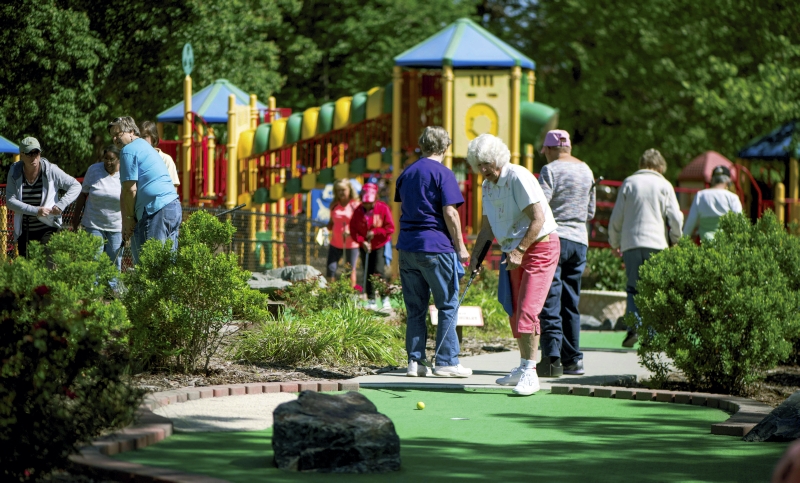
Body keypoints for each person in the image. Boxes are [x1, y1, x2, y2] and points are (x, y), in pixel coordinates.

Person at [467, 134, 560, 396]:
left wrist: (520, 250)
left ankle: (531, 373)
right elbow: (486, 229)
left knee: (529, 309)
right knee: (515, 310)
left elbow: (538, 218)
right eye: (479, 164)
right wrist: (476, 258)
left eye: (487, 163)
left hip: (539, 246)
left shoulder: (518, 176)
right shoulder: (487, 185)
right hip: (514, 250)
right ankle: (523, 366)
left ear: (498, 158)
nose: (483, 169)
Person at [396, 126, 472, 378]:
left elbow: (403, 209)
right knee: (447, 304)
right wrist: (461, 246)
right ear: (445, 147)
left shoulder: (407, 173)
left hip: (408, 246)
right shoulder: (444, 173)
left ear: (422, 144)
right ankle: (447, 361)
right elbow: (450, 213)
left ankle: (415, 362)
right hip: (436, 246)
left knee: (415, 308)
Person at [608, 148, 683, 347]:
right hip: (656, 243)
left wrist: (614, 242)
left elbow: (617, 218)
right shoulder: (664, 185)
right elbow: (675, 217)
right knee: (653, 289)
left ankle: (634, 326)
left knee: (633, 288)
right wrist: (676, 238)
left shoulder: (629, 183)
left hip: (631, 243)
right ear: (660, 166)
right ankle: (651, 333)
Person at [537, 130, 596, 377]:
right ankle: (574, 360)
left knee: (551, 298)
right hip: (580, 241)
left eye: (546, 152)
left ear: (551, 149)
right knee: (571, 301)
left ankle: (552, 358)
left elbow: (539, 206)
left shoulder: (550, 171)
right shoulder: (587, 170)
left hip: (555, 238)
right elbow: (590, 212)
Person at [108, 116, 181, 264]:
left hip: (155, 210)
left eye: (118, 134)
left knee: (150, 267)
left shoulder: (128, 150)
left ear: (130, 131)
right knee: (167, 266)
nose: (115, 139)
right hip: (173, 207)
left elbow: (130, 190)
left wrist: (129, 219)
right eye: (112, 136)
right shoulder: (145, 146)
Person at [6, 137, 80, 257]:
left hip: (48, 228)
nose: (33, 157)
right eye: (29, 153)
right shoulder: (14, 172)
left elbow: (76, 185)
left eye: (36, 153)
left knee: (48, 269)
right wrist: (36, 211)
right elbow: (10, 201)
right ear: (22, 155)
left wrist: (61, 204)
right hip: (25, 231)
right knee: (27, 273)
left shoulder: (51, 170)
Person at [71, 145, 123, 270]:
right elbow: (83, 195)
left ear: (119, 160)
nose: (108, 163)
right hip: (93, 224)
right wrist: (75, 218)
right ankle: (93, 289)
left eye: (112, 159)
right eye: (106, 159)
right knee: (94, 260)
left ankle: (113, 289)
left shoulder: (126, 173)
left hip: (116, 226)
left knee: (114, 262)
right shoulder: (93, 170)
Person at [349, 182, 395, 311]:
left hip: (379, 245)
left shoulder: (383, 208)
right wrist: (361, 241)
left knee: (379, 271)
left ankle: (385, 298)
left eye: (370, 202)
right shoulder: (358, 211)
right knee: (368, 272)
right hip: (364, 246)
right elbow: (353, 230)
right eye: (365, 203)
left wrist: (375, 232)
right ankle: (371, 299)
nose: (368, 205)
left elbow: (390, 228)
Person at [682, 165, 742, 241]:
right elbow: (739, 221)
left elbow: (691, 220)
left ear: (712, 180)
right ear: (728, 181)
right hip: (725, 245)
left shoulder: (700, 195)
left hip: (704, 242)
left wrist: (683, 240)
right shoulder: (733, 197)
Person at [326, 178, 360, 287]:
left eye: (343, 189)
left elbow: (361, 224)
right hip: (335, 242)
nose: (341, 192)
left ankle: (350, 294)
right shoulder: (334, 205)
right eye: (338, 190)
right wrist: (325, 229)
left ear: (349, 190)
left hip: (351, 244)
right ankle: (330, 294)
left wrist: (350, 231)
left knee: (349, 270)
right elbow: (331, 222)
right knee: (331, 267)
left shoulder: (355, 205)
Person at [141, 121, 180, 191]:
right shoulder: (136, 159)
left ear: (153, 137)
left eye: (144, 136)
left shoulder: (165, 159)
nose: (141, 140)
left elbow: (173, 188)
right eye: (139, 137)